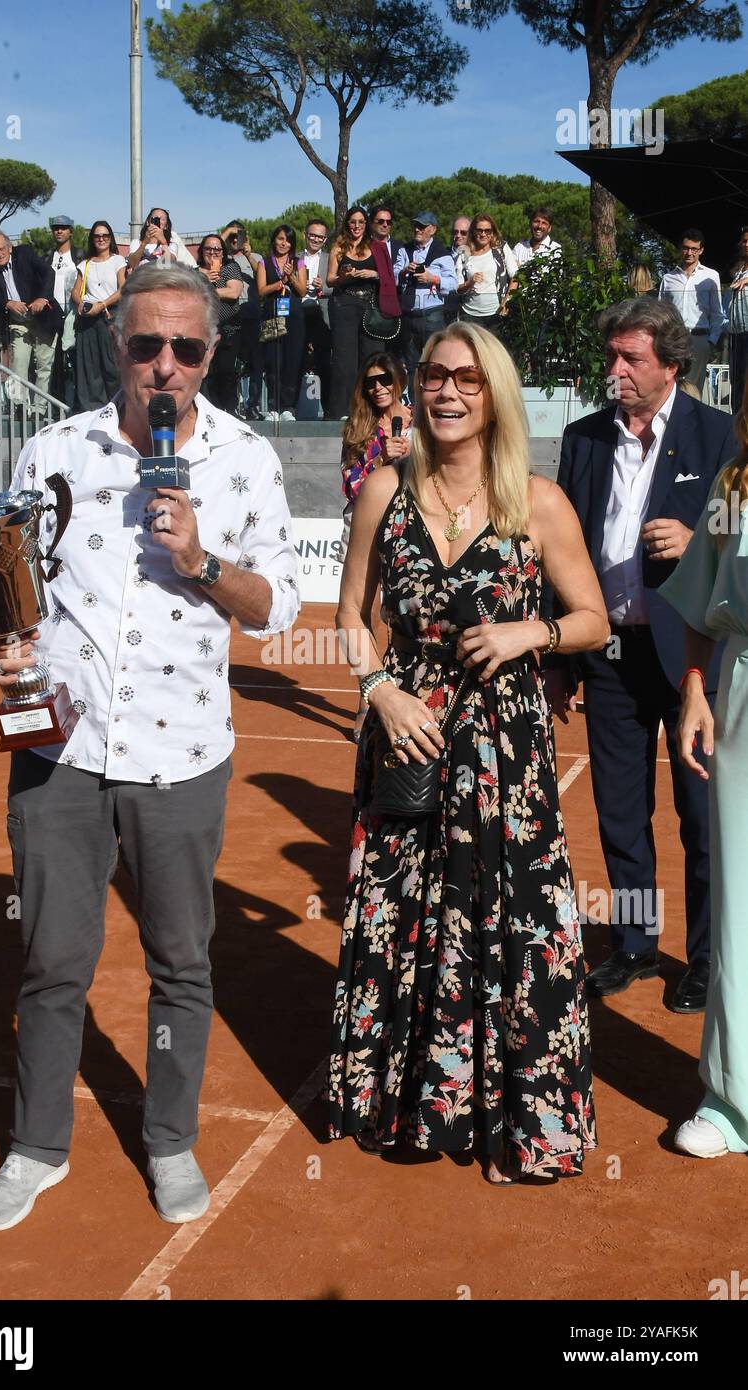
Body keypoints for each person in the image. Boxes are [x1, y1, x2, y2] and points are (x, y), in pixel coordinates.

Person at [0, 262, 300, 1232]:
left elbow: (279, 608)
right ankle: (34, 1146)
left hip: (182, 755)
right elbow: (12, 580)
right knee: (52, 958)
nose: (164, 365)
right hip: (59, 748)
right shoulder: (55, 449)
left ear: (210, 354)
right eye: (145, 345)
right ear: (115, 347)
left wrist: (200, 561)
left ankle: (168, 1139)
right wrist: (2, 644)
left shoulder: (244, 460)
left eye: (185, 348)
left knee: (180, 963)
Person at [329, 321, 608, 1180]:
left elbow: (594, 619)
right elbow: (348, 620)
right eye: (433, 377)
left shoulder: (539, 501)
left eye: (466, 379)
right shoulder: (382, 490)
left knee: (504, 921)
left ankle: (510, 1124)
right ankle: (407, 1110)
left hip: (504, 753)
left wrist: (535, 630)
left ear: (493, 396)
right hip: (407, 732)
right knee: (403, 916)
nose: (446, 392)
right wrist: (380, 691)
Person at [551, 299, 737, 1011]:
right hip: (607, 655)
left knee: (702, 816)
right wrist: (560, 653)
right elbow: (554, 550)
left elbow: (736, 535)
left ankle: (704, 957)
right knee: (620, 812)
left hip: (694, 658)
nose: (616, 371)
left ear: (671, 362)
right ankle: (632, 946)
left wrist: (698, 548)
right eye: (612, 357)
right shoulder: (585, 439)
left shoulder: (717, 435)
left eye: (631, 358)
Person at [661, 392, 748, 1158]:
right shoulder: (734, 485)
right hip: (745, 696)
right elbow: (696, 598)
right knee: (741, 901)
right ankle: (732, 1098)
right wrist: (695, 686)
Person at [340, 353, 412, 738]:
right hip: (364, 524)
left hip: (411, 526)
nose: (378, 387)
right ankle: (366, 697)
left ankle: (401, 688)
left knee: (398, 613)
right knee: (361, 613)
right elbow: (349, 485)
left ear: (399, 379)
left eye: (385, 379)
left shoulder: (424, 421)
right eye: (370, 382)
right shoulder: (358, 427)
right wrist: (380, 458)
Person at [0, 232, 62, 408]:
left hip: (42, 317)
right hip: (17, 321)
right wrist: (7, 303)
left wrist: (43, 298)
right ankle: (20, 408)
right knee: (19, 365)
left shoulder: (24, 253)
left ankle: (40, 408)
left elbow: (49, 272)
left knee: (44, 366)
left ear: (10, 248)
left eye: (1, 249)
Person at [327, 207, 382, 419]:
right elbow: (329, 280)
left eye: (361, 222)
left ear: (366, 224)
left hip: (370, 306)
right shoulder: (338, 247)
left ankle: (371, 410)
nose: (357, 226)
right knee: (344, 361)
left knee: (371, 358)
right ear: (347, 224)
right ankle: (342, 410)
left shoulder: (376, 246)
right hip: (345, 304)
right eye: (352, 222)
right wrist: (344, 276)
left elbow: (387, 275)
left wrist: (373, 273)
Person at [658, 229, 726, 395]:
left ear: (701, 250)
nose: (689, 253)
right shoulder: (668, 278)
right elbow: (660, 312)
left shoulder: (711, 276)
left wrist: (711, 341)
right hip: (674, 339)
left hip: (700, 339)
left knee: (694, 390)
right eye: (686, 248)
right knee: (670, 387)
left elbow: (718, 313)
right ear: (681, 248)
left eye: (694, 249)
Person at [394, 212, 458, 389]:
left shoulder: (442, 254)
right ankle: (415, 408)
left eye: (422, 226)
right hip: (408, 315)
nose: (417, 229)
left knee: (435, 363)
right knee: (412, 366)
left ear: (433, 229)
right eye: (415, 225)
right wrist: (405, 270)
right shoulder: (404, 251)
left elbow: (453, 284)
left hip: (433, 315)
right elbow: (392, 279)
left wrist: (433, 279)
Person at [70, 221, 127, 413]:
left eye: (105, 236)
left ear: (110, 238)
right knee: (89, 367)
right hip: (87, 320)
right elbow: (75, 291)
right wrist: (82, 304)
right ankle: (92, 411)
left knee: (111, 365)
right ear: (92, 239)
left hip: (109, 316)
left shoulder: (118, 261)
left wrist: (102, 305)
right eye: (97, 236)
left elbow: (123, 289)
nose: (101, 239)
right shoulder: (84, 264)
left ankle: (117, 408)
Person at [256, 223, 307, 422]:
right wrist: (278, 284)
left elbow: (302, 291)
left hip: (293, 315)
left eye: (287, 239)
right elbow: (261, 291)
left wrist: (291, 277)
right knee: (272, 359)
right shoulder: (264, 262)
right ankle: (273, 407)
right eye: (280, 238)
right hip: (271, 314)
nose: (283, 243)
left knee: (292, 361)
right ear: (274, 240)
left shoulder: (298, 262)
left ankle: (288, 407)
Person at [196, 234, 243, 414]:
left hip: (229, 329)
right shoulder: (195, 272)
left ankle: (230, 411)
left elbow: (233, 292)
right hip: (203, 332)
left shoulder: (231, 268)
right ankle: (209, 412)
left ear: (223, 252)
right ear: (202, 251)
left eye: (217, 249)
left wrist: (206, 289)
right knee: (207, 374)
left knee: (226, 372)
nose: (213, 252)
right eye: (209, 249)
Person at [222, 221, 264, 420]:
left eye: (238, 236)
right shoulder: (223, 259)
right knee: (232, 363)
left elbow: (262, 275)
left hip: (253, 315)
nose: (235, 240)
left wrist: (248, 253)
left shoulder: (256, 257)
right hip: (231, 316)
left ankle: (253, 404)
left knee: (255, 362)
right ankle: (232, 403)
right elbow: (212, 248)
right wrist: (225, 233)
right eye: (232, 237)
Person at [455, 212, 518, 336]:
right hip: (470, 315)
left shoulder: (501, 249)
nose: (483, 234)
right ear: (473, 231)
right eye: (479, 230)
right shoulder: (464, 253)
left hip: (496, 314)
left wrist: (507, 300)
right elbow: (458, 288)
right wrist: (470, 282)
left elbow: (515, 276)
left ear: (493, 232)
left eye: (487, 230)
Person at [44, 214, 84, 404]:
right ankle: (53, 403)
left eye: (63, 227)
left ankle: (74, 402)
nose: (59, 231)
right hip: (51, 316)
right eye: (56, 228)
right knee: (50, 364)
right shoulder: (46, 257)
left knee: (73, 361)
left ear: (70, 231)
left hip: (73, 315)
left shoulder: (79, 256)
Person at [299, 218, 333, 418]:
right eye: (312, 235)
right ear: (305, 235)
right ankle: (292, 409)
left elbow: (338, 285)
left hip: (323, 313)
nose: (316, 239)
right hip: (299, 311)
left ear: (325, 239)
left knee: (324, 362)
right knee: (297, 360)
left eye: (320, 236)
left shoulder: (330, 259)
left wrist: (325, 288)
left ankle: (329, 407)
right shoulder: (294, 258)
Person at [127, 208, 196, 272]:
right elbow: (132, 264)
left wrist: (163, 242)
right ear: (148, 222)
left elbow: (169, 264)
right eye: (155, 218)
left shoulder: (171, 245)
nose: (159, 221)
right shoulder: (136, 242)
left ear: (166, 226)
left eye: (162, 219)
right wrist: (144, 243)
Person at [726, 226, 748, 415]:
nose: (746, 244)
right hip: (736, 333)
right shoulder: (740, 268)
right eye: (744, 241)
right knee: (737, 382)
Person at [443, 216, 471, 323]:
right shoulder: (443, 254)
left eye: (463, 233)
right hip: (449, 311)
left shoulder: (477, 255)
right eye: (455, 232)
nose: (458, 236)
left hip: (471, 310)